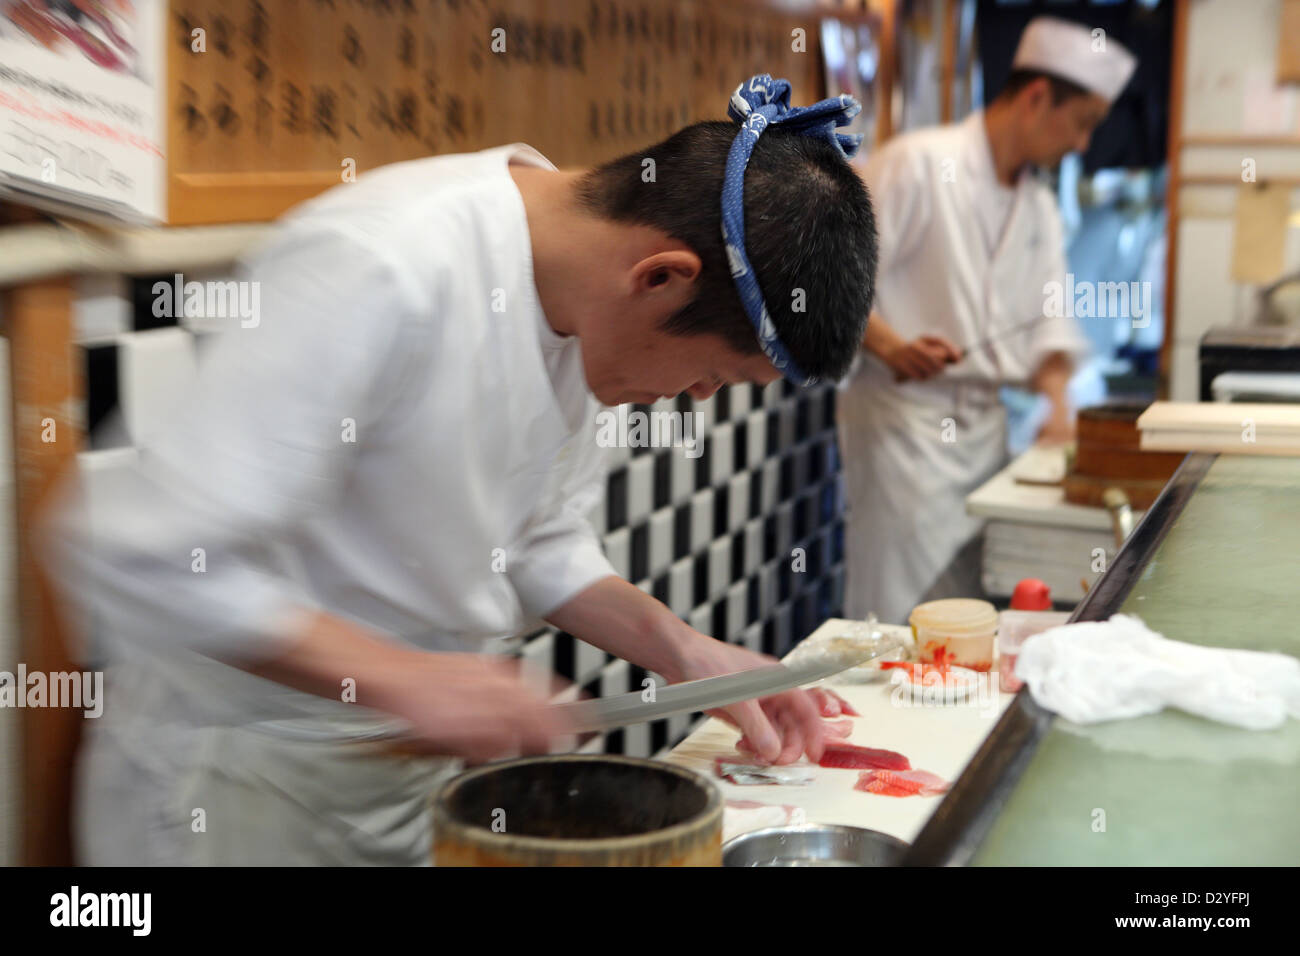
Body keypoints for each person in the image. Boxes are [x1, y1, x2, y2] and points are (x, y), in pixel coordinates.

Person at [39, 75, 878, 865]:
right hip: (238, 781)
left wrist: (683, 650)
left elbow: (532, 534)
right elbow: (131, 549)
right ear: (660, 277)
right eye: (712, 377)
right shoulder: (384, 262)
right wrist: (411, 681)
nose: (692, 396)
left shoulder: (585, 306)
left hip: (401, 776)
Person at [837, 17, 1135, 625]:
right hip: (906, 430)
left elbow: (1053, 324)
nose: (1083, 145)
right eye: (1082, 124)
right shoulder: (920, 163)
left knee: (969, 607)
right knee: (899, 610)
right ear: (1035, 97)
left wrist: (1057, 403)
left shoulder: (1040, 205)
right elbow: (838, 282)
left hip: (985, 433)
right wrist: (892, 345)